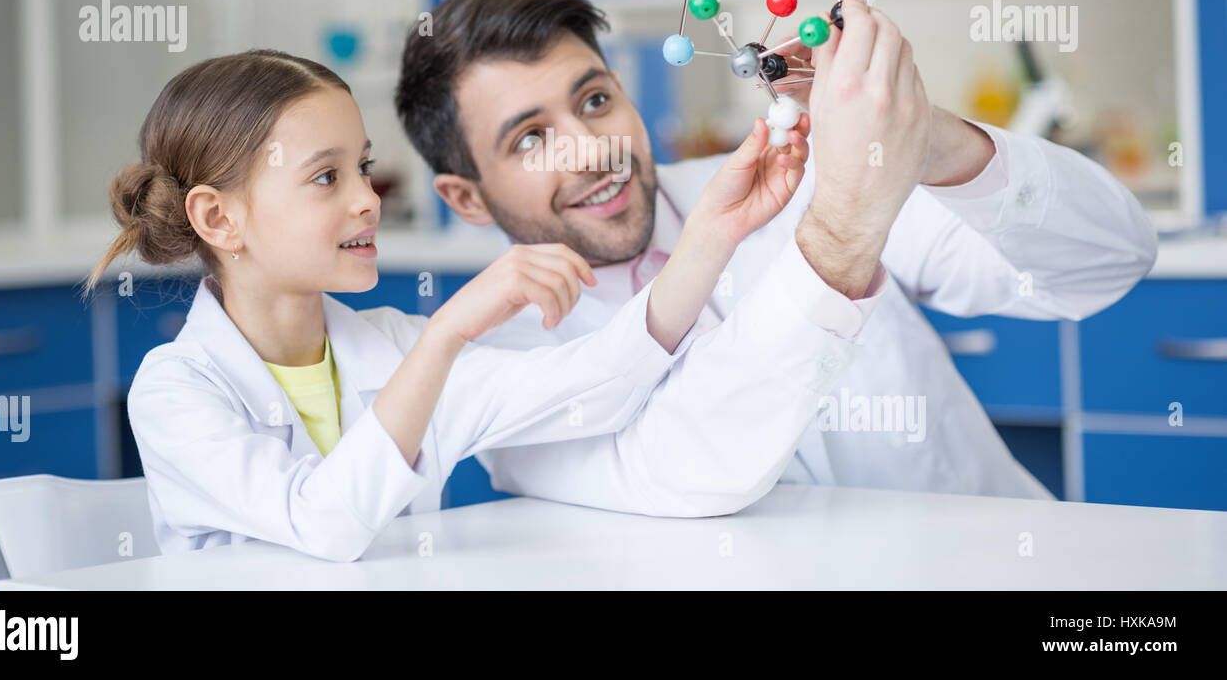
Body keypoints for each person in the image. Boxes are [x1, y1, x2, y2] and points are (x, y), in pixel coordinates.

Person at [394, 0, 1158, 514]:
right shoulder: (497, 370)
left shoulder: (794, 169)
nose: (592, 151)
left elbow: (1110, 261)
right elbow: (692, 473)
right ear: (465, 196)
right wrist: (839, 235)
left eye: (595, 100)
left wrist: (931, 141)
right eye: (531, 138)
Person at [87, 49, 824, 561]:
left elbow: (593, 388)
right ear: (219, 219)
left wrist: (711, 235)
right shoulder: (175, 390)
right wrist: (449, 331)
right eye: (325, 177)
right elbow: (322, 521)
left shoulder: (392, 345)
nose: (364, 199)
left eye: (364, 167)